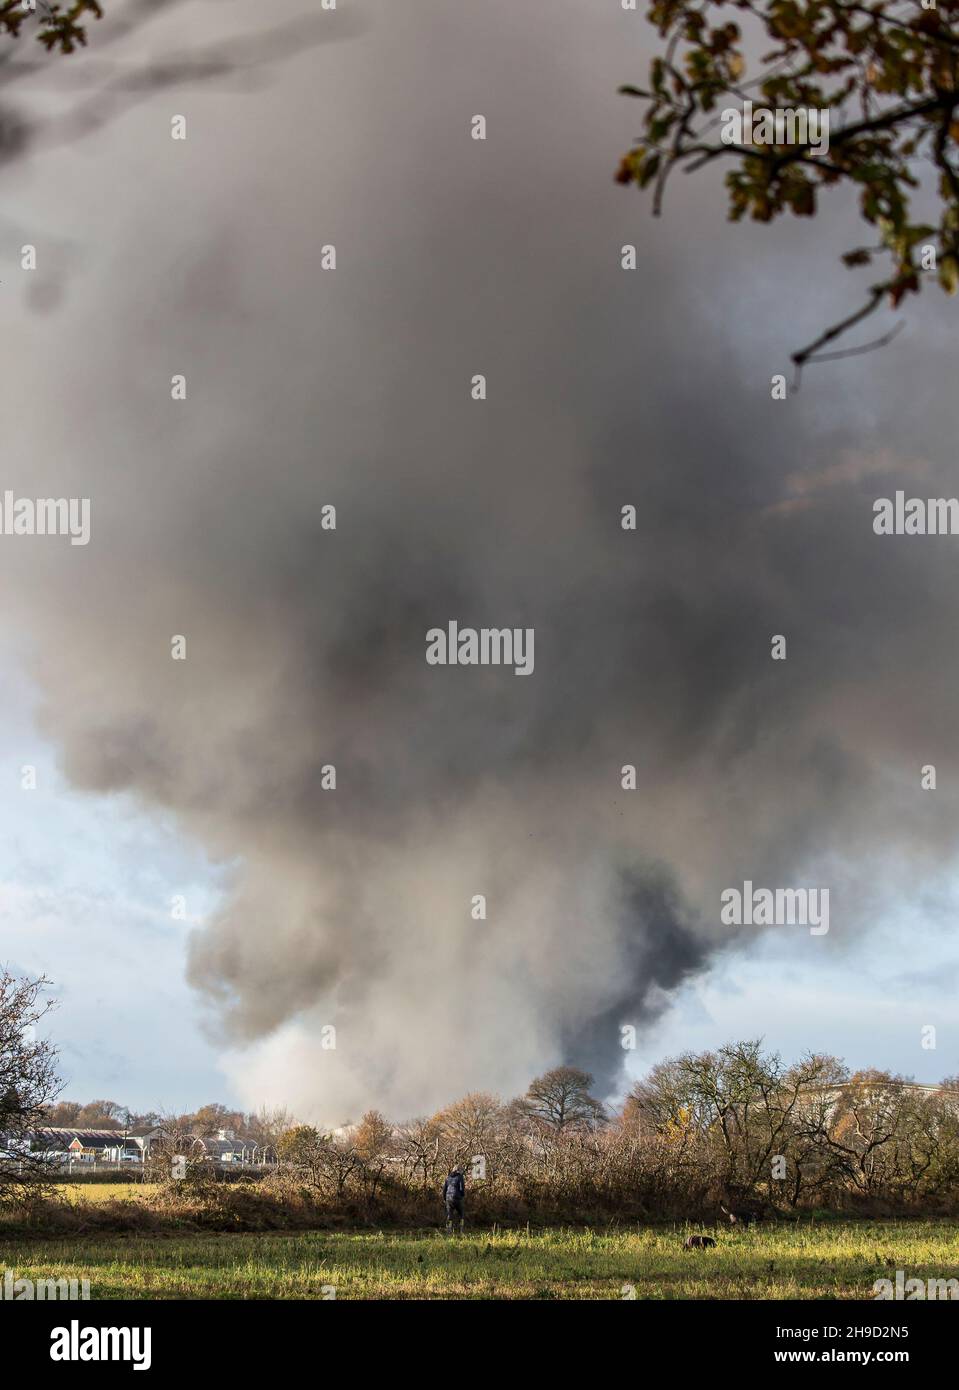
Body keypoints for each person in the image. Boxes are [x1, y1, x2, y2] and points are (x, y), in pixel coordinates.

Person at [442, 1166, 465, 1232]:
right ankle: (461, 1229)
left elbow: (444, 1190)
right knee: (461, 1213)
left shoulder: (448, 1177)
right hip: (457, 1198)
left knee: (449, 1214)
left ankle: (449, 1230)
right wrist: (462, 1196)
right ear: (458, 1171)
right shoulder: (460, 1177)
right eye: (461, 1170)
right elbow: (461, 1189)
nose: (462, 1172)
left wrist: (444, 1199)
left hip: (448, 1198)